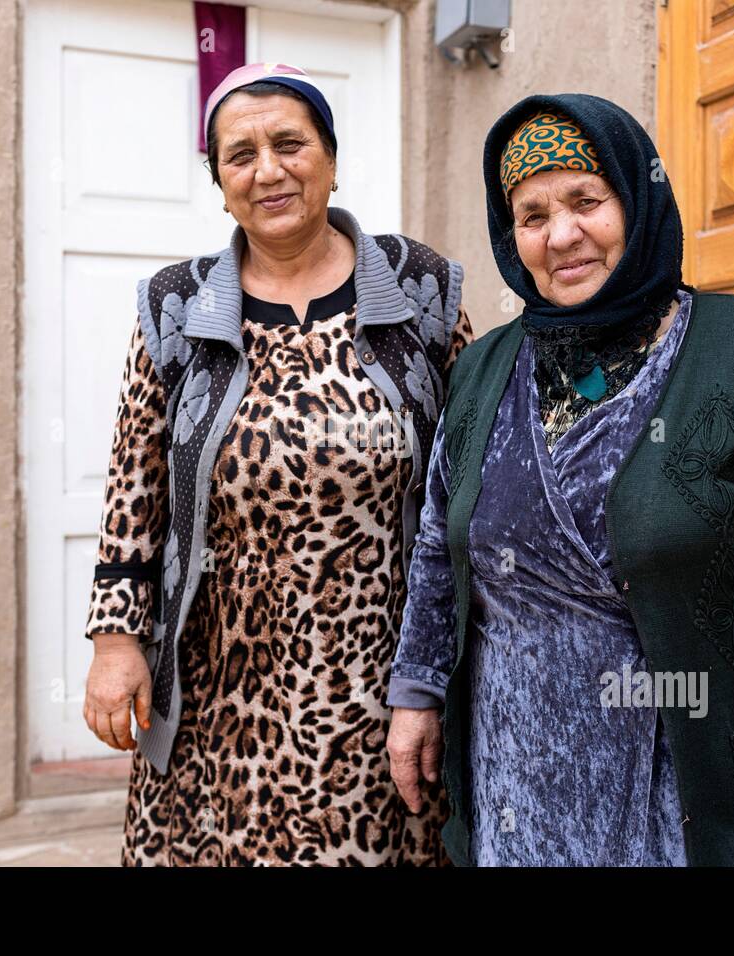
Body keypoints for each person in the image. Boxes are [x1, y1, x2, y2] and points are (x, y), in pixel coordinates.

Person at [385, 94, 734, 866]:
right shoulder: (482, 371)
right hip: (520, 769)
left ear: (636, 201)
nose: (562, 235)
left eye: (587, 201)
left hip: (688, 762)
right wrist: (416, 693)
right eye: (533, 215)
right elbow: (435, 549)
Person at [82, 63, 473, 865]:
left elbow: (470, 475)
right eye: (240, 155)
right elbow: (136, 485)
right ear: (219, 184)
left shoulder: (420, 287)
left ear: (330, 158)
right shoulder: (177, 305)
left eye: (290, 144)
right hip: (217, 675)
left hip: (379, 681)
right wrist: (116, 642)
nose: (269, 171)